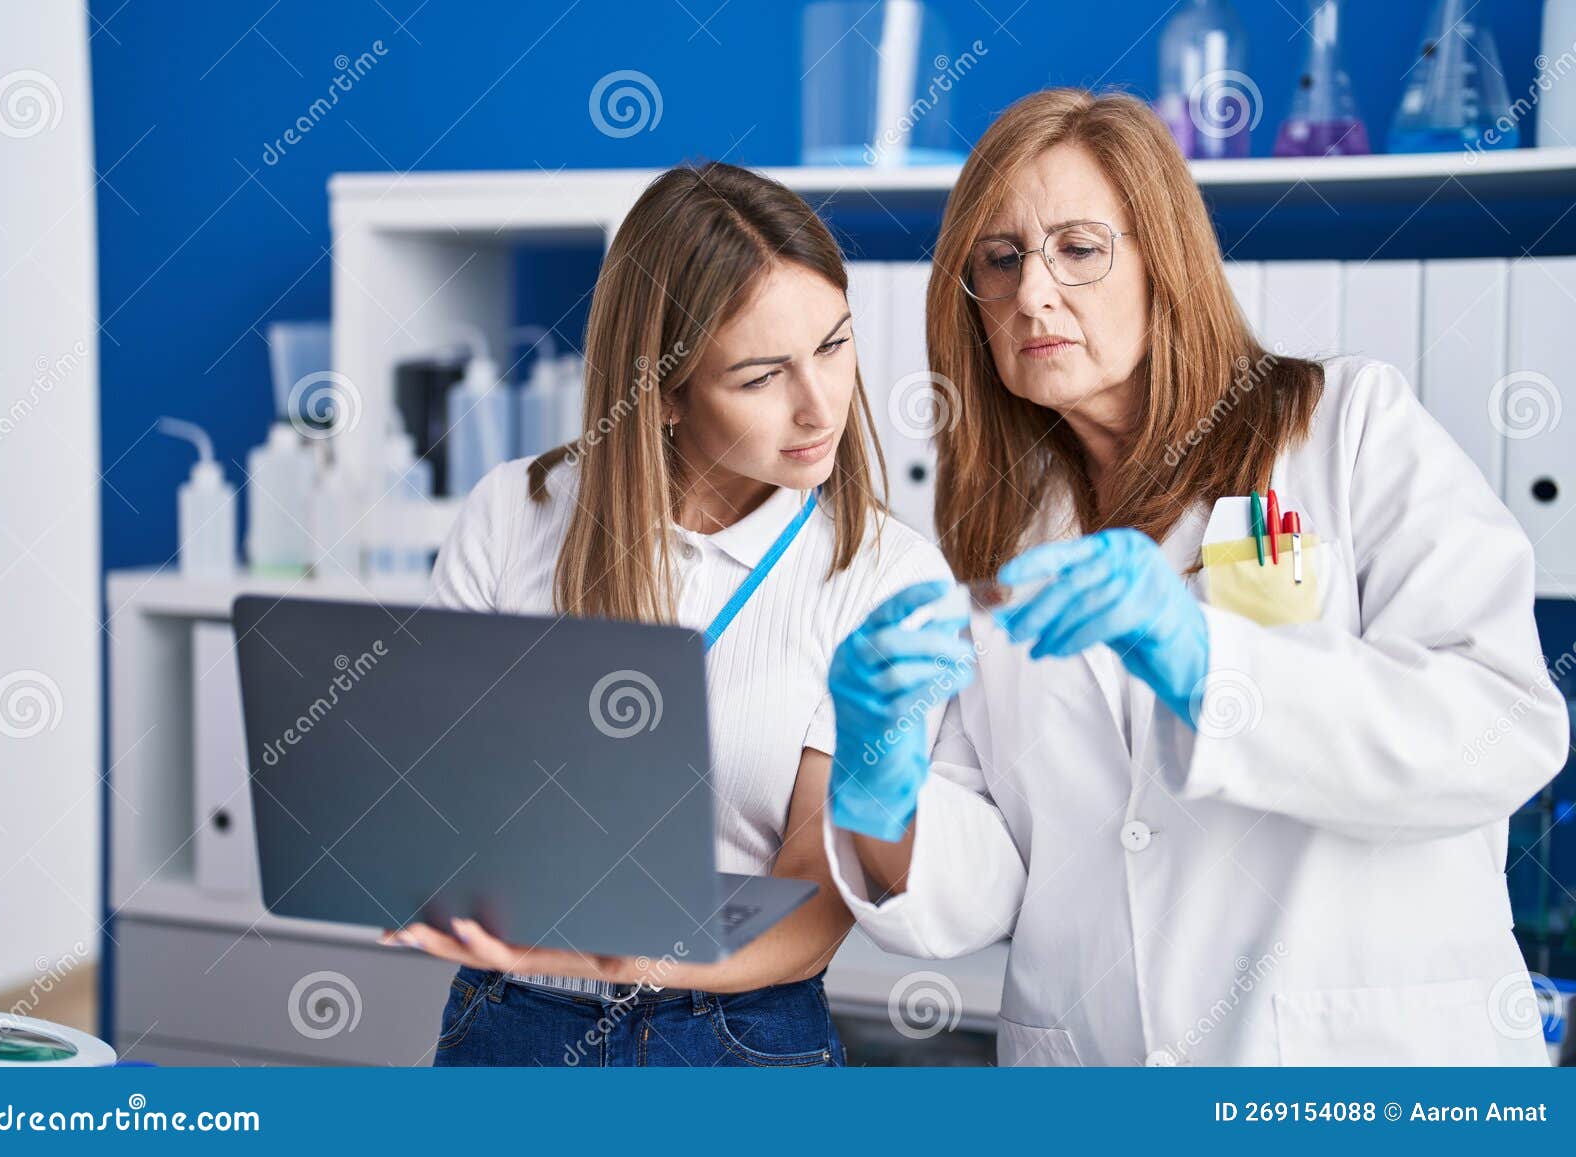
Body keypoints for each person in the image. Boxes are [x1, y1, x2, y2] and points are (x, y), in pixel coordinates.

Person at [824, 89, 1569, 1066]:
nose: (1031, 294)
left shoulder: (1345, 429)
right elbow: (989, 881)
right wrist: (882, 783)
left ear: (1162, 257)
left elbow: (1503, 727)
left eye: (1077, 248)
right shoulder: (995, 533)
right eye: (997, 260)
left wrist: (1210, 664)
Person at [382, 162, 953, 1067]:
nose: (821, 403)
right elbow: (432, 803)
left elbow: (813, 897)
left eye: (835, 345)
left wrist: (631, 953)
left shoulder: (887, 576)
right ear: (665, 393)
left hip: (737, 1042)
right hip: (510, 1026)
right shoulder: (509, 514)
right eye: (763, 374)